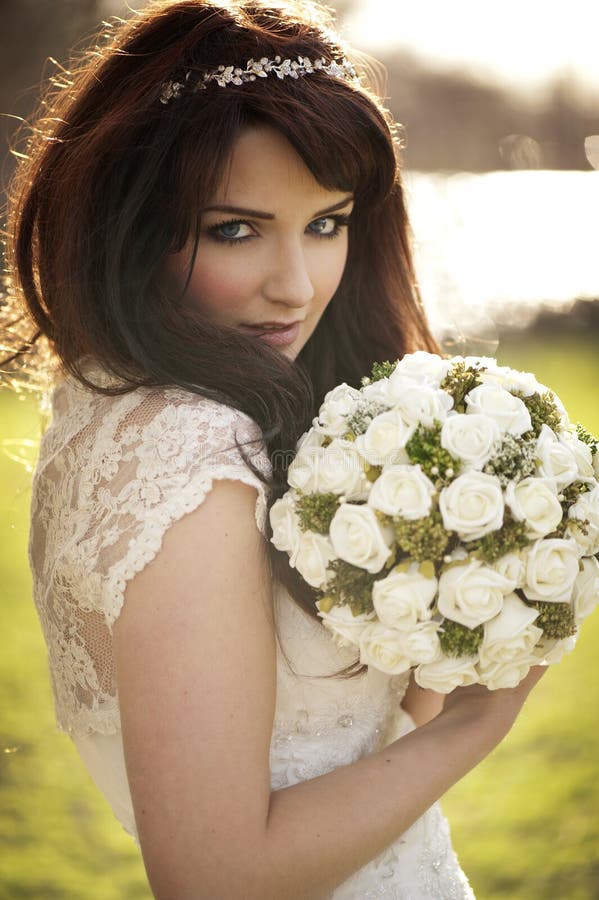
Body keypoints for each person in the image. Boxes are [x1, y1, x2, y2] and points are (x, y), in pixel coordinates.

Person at [2, 1, 545, 897]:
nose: (296, 287)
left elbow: (347, 728)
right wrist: (475, 724)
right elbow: (214, 875)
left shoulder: (105, 406)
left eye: (326, 222)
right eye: (235, 229)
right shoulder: (192, 447)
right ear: (136, 226)